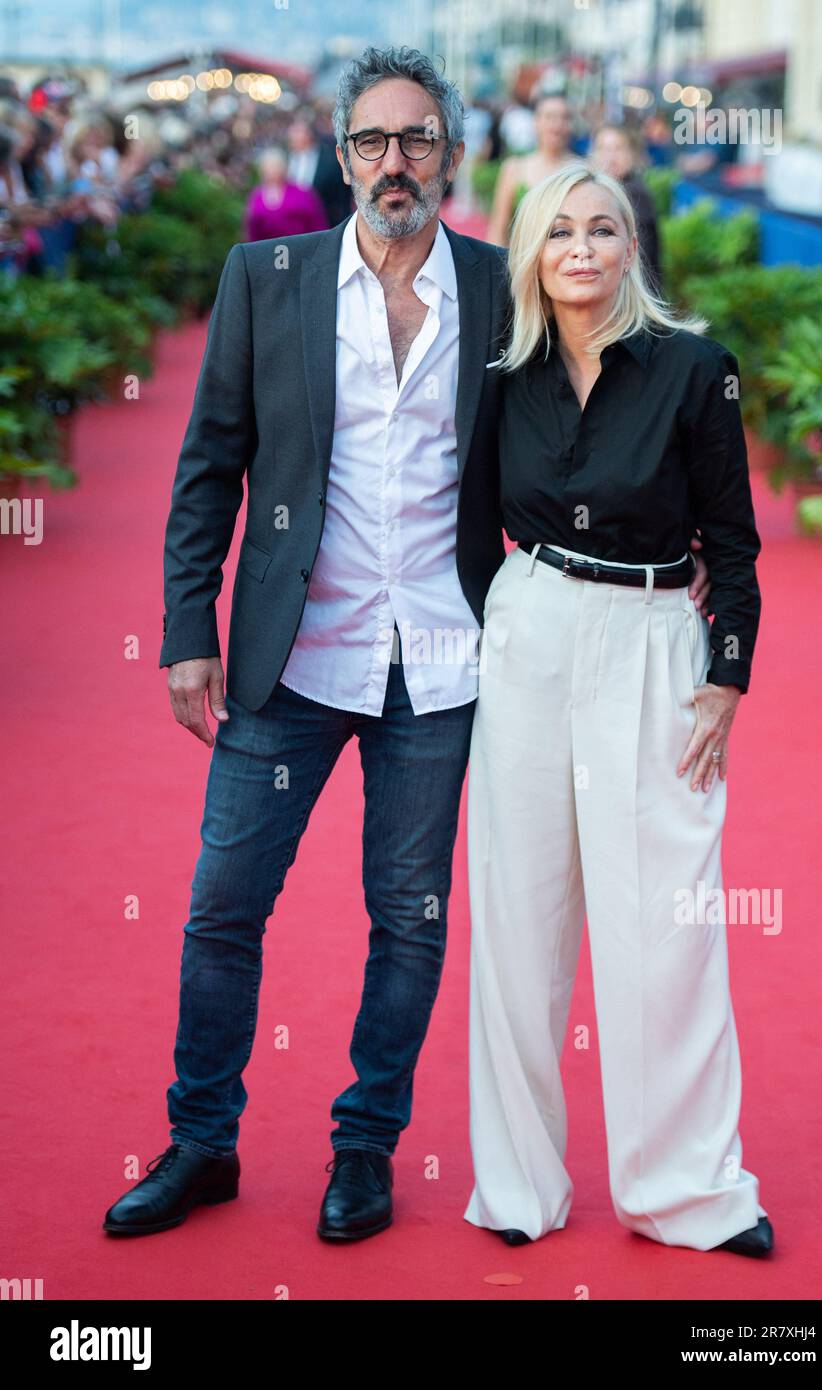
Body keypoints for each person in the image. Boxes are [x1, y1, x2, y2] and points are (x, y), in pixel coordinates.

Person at [100, 44, 517, 1243]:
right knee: (223, 907)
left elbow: (567, 432)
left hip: (439, 658)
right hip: (289, 658)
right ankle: (200, 1141)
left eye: (418, 139)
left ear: (450, 155)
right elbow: (207, 467)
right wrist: (188, 630)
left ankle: (365, 1146)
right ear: (340, 156)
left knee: (408, 918)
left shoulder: (496, 287)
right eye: (373, 140)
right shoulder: (266, 278)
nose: (396, 162)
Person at [462, 162, 773, 1256]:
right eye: (559, 233)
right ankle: (516, 1185)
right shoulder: (503, 375)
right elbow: (470, 530)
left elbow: (733, 544)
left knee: (666, 922)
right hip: (530, 630)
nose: (581, 249)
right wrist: (504, 633)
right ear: (532, 255)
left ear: (630, 247)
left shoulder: (694, 370)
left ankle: (684, 1189)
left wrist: (725, 677)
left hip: (653, 640)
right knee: (519, 917)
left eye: (601, 229)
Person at [486, 93, 576, 247]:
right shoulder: (514, 168)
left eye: (564, 117)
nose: (557, 124)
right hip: (523, 258)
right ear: (536, 121)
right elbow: (498, 229)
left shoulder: (583, 169)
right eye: (549, 117)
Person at [590, 122, 662, 293]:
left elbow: (640, 258)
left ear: (633, 154)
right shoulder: (599, 191)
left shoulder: (635, 194)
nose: (610, 157)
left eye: (618, 148)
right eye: (603, 148)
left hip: (629, 292)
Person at [242, 146, 328, 242]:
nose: (273, 171)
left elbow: (317, 224)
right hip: (268, 249)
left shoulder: (301, 193)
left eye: (276, 166)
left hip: (301, 246)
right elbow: (251, 230)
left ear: (284, 168)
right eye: (269, 167)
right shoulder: (257, 196)